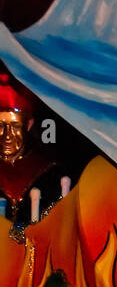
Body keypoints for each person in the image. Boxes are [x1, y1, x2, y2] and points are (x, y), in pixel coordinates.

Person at [0, 71, 73, 230]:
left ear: (29, 125)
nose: (7, 135)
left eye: (15, 126)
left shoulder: (51, 174)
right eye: (0, 126)